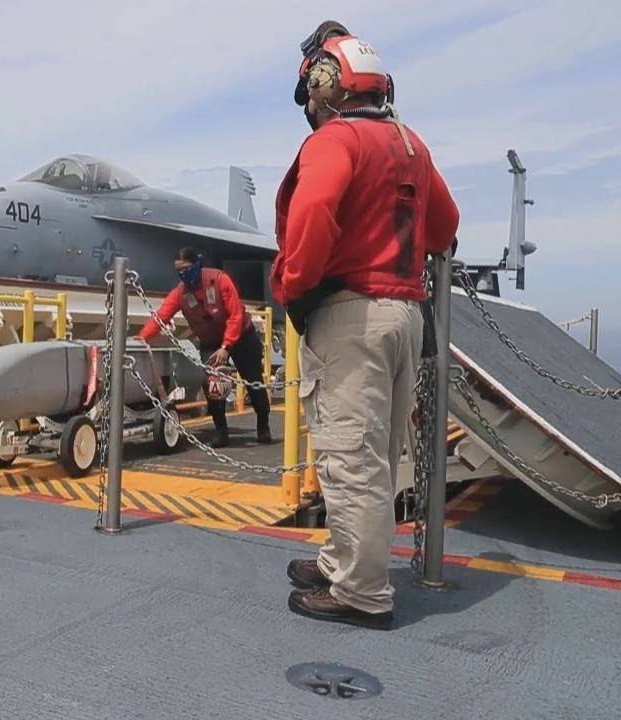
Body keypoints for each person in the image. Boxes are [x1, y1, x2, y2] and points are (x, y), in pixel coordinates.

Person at [273, 32, 459, 629]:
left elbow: (312, 213)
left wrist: (294, 284)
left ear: (325, 88)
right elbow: (444, 228)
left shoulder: (335, 140)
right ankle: (341, 561)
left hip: (351, 317)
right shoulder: (410, 143)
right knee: (374, 453)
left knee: (349, 458)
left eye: (311, 90)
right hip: (405, 316)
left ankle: (362, 593)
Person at [136, 247, 272, 448]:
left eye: (186, 268)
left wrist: (226, 346)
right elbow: (162, 316)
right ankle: (221, 432)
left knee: (253, 381)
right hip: (211, 340)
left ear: (197, 264)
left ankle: (263, 425)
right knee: (212, 386)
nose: (183, 274)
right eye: (178, 270)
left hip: (242, 336)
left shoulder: (219, 280)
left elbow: (235, 315)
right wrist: (142, 338)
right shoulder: (180, 293)